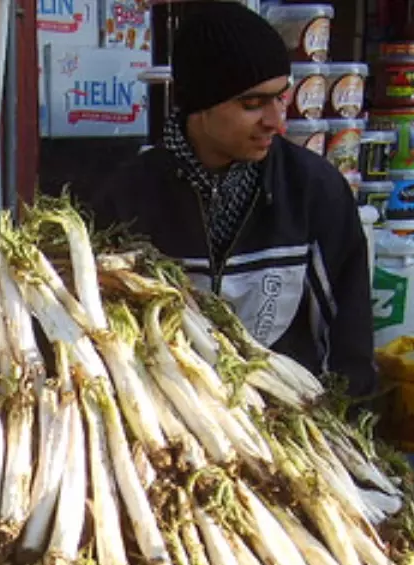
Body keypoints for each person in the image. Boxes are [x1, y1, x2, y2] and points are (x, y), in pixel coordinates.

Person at [91, 1, 376, 397]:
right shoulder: (126, 200)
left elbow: (349, 345)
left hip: (287, 412)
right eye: (252, 104)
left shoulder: (313, 189)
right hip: (170, 416)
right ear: (200, 106)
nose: (276, 121)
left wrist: (342, 417)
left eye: (281, 98)